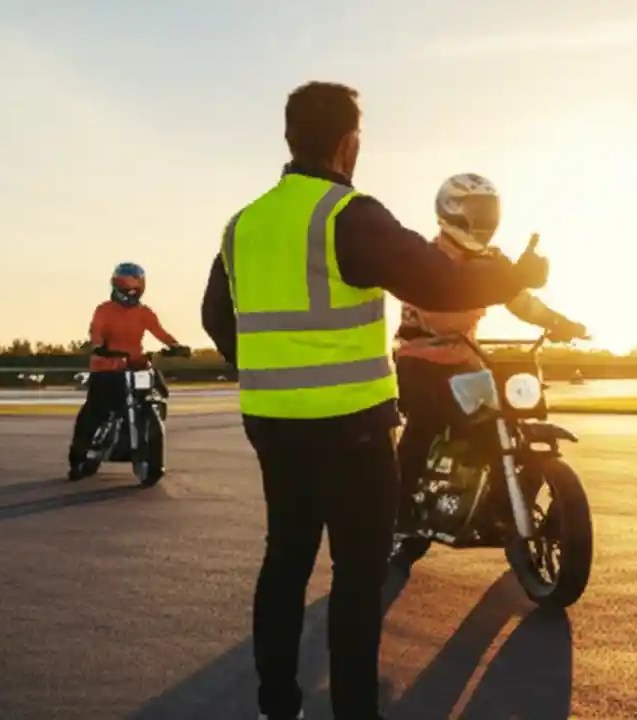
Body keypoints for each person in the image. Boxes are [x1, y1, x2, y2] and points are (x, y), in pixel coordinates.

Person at [201, 81, 548, 720]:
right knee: (357, 580)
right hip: (352, 430)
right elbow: (440, 282)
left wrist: (275, 370)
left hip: (274, 426)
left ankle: (276, 706)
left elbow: (216, 317)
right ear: (348, 143)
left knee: (285, 561)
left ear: (289, 137)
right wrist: (516, 276)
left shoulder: (242, 225)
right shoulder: (348, 215)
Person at [391, 173, 587, 555]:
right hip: (421, 359)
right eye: (475, 210)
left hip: (465, 358)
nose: (484, 219)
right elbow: (443, 309)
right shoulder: (430, 258)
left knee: (509, 418)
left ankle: (502, 506)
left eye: (488, 210)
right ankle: (398, 512)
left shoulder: (493, 261)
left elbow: (520, 300)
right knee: (425, 425)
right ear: (451, 211)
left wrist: (559, 322)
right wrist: (506, 279)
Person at [67, 262, 183, 479]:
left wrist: (175, 346)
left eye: (134, 289)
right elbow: (96, 331)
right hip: (106, 367)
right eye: (125, 289)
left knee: (153, 392)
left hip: (136, 365)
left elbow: (160, 332)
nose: (130, 294)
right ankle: (78, 457)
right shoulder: (104, 310)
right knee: (94, 412)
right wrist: (98, 346)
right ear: (115, 287)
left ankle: (146, 442)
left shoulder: (144, 312)